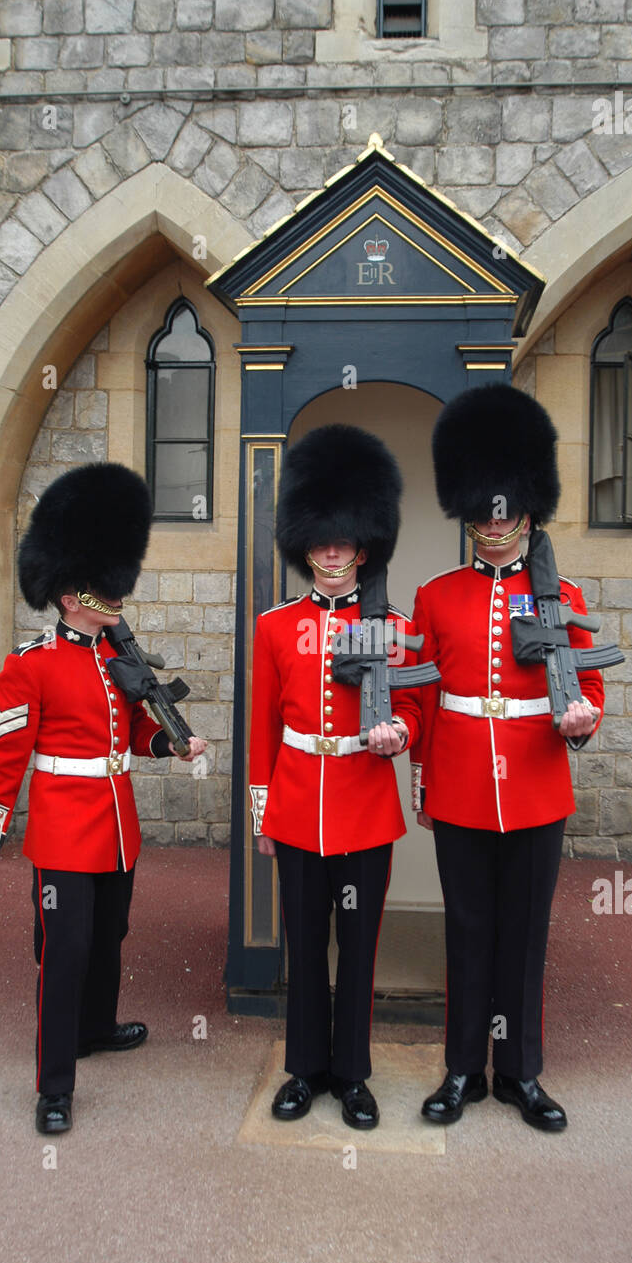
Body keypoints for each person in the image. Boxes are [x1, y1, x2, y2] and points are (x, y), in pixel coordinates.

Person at [0, 463, 206, 1134]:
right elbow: (3, 752)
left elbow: (130, 733)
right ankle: (54, 1084)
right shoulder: (31, 665)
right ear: (75, 594)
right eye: (108, 586)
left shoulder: (114, 659)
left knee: (109, 937)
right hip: (63, 830)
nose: (119, 595)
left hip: (117, 827)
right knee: (65, 949)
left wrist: (171, 745)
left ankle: (95, 1027)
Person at [411, 384, 605, 1132]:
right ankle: (463, 1068)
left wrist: (584, 720)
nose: (494, 528)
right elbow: (423, 696)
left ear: (526, 512)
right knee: (466, 928)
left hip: (534, 783)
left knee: (525, 934)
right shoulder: (437, 595)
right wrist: (422, 777)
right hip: (461, 783)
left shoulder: (562, 595)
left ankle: (520, 1072)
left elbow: (584, 684)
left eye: (505, 515)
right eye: (482, 517)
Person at [248, 425, 423, 1131]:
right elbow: (263, 725)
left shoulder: (392, 622)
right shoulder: (275, 626)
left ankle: (352, 1074)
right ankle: (304, 1070)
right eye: (321, 540)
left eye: (343, 541)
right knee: (304, 942)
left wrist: (398, 734)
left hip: (363, 806)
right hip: (294, 807)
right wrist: (262, 811)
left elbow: (412, 701)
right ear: (306, 543)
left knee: (358, 948)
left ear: (362, 546)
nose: (330, 551)